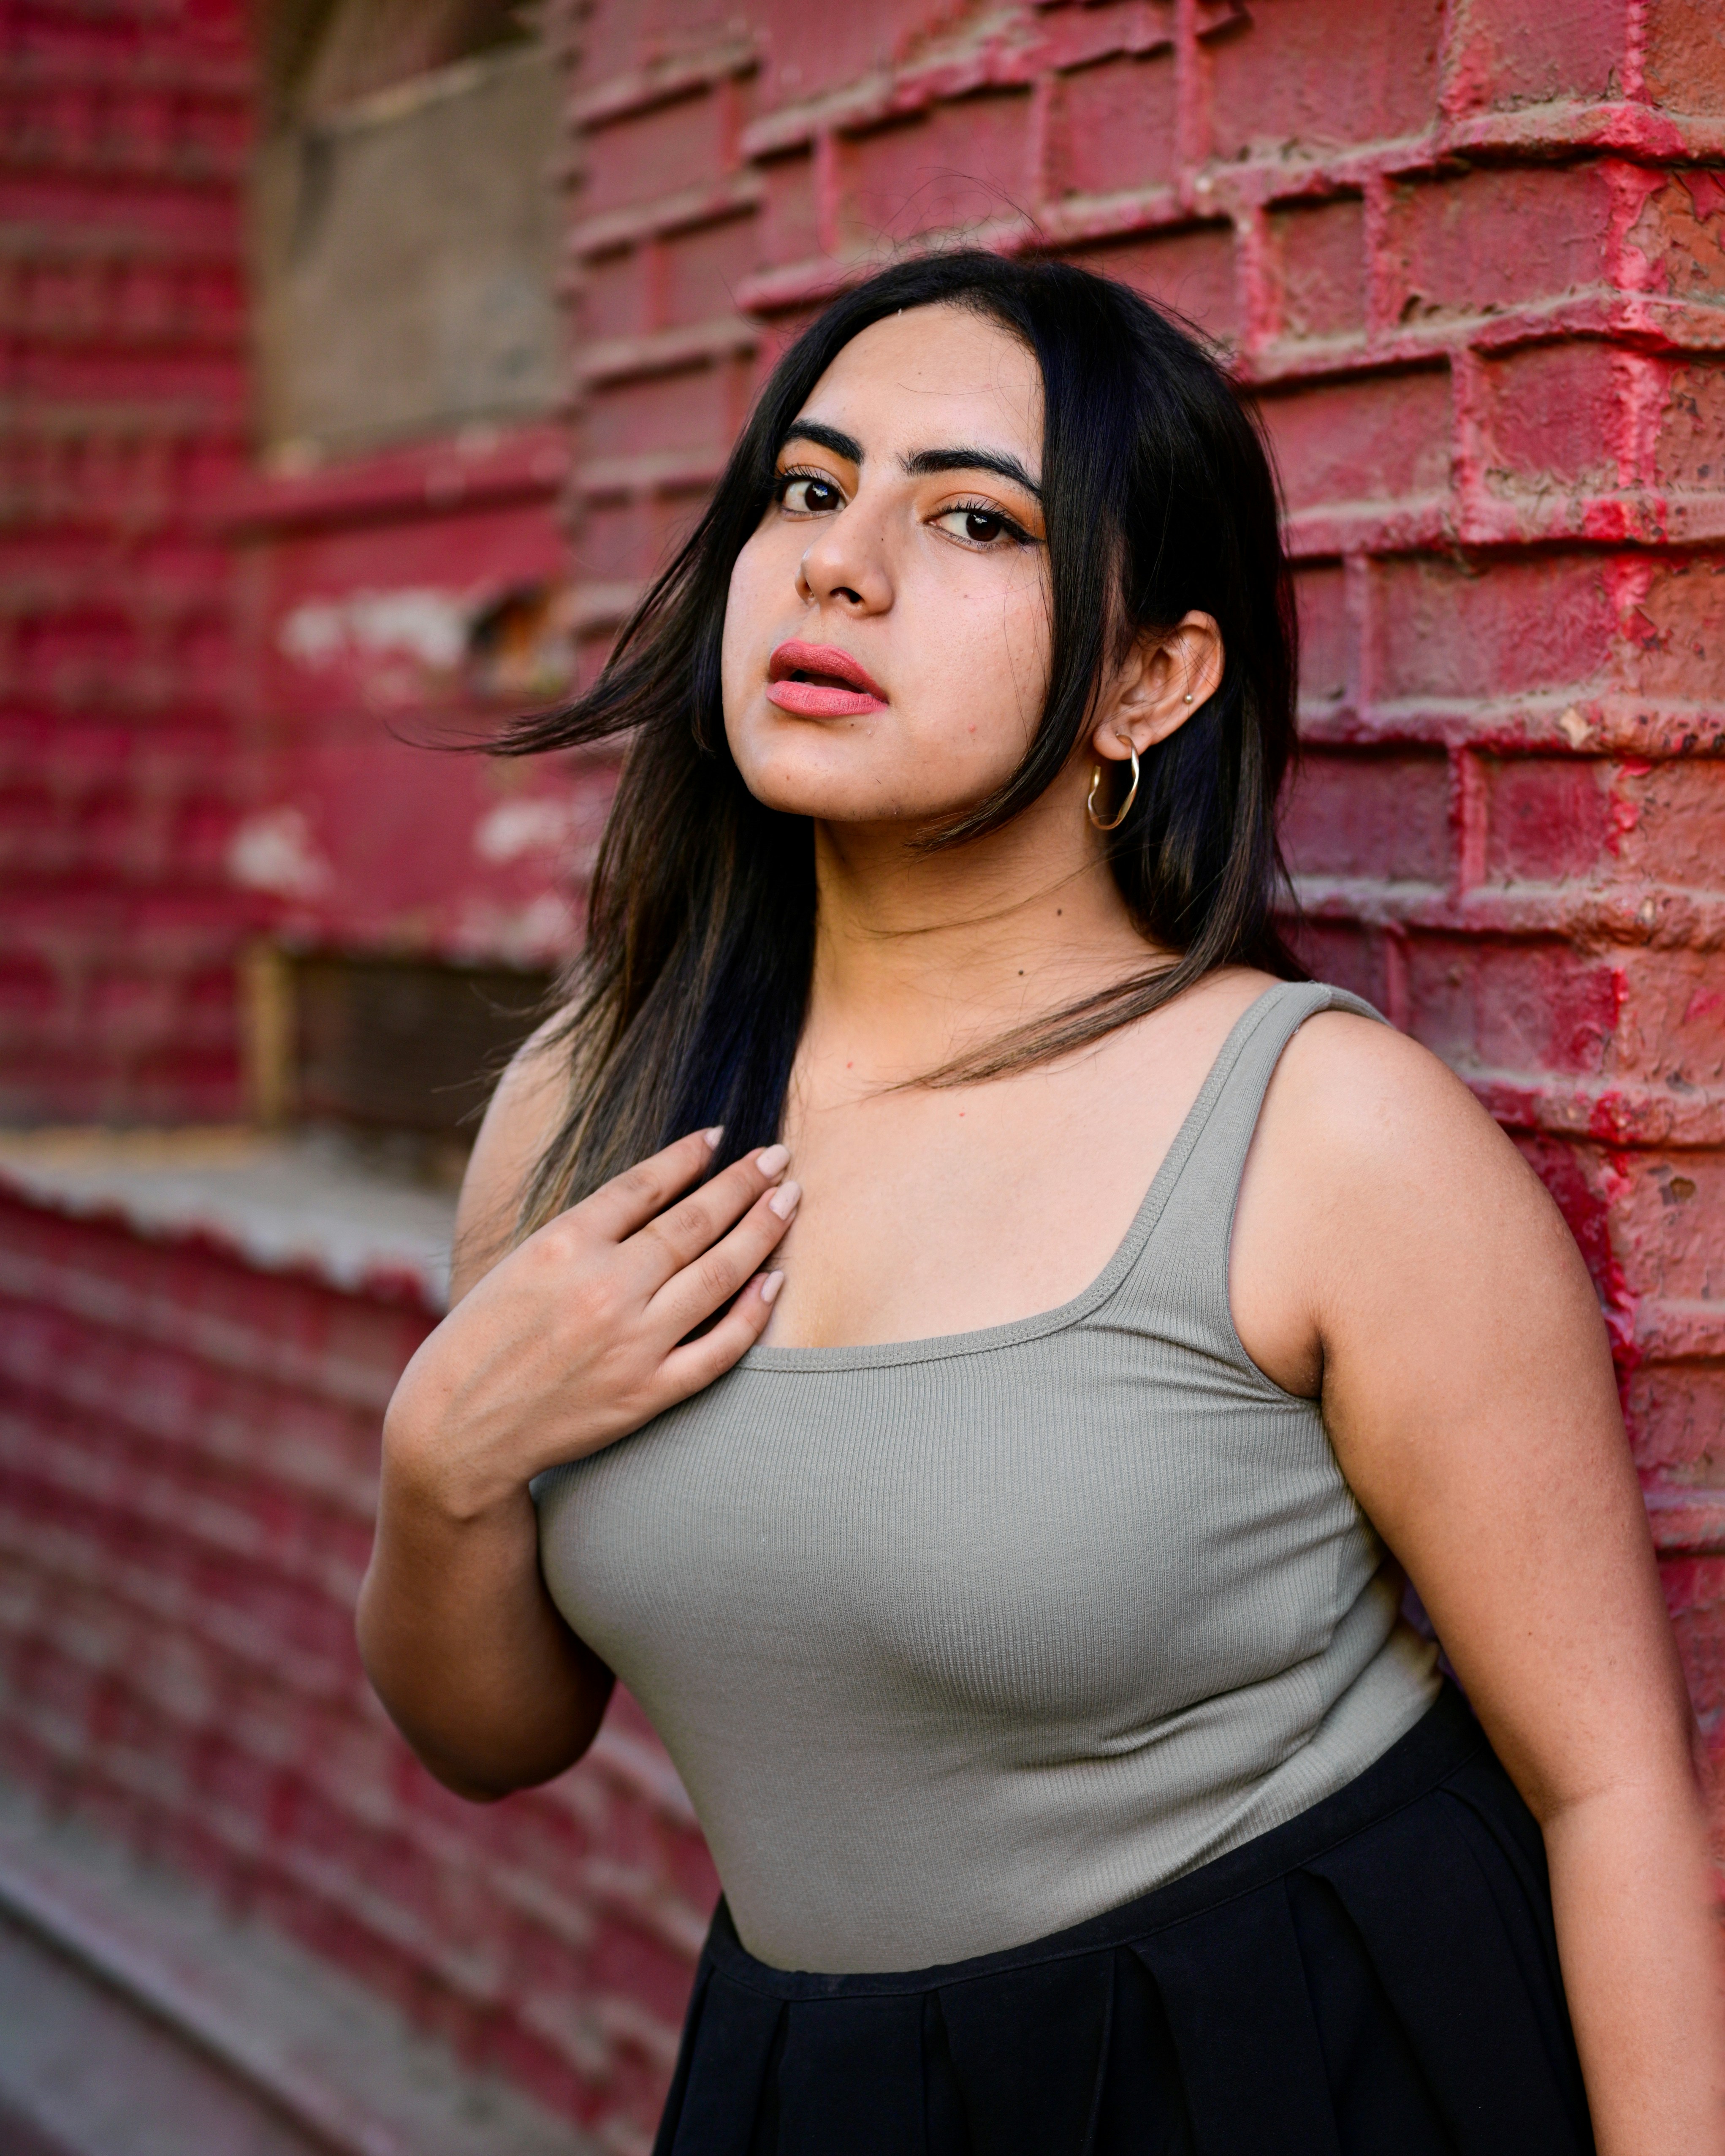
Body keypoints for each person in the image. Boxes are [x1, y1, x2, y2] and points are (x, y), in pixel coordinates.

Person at [356, 252, 1722, 2155]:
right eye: (807, 490)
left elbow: (1607, 1789)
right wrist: (440, 1460)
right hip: (814, 2087)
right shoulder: (590, 1107)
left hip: (1295, 2062)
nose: (838, 564)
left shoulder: (1315, 1133)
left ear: (1148, 676)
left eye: (973, 518)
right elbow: (492, 1737)